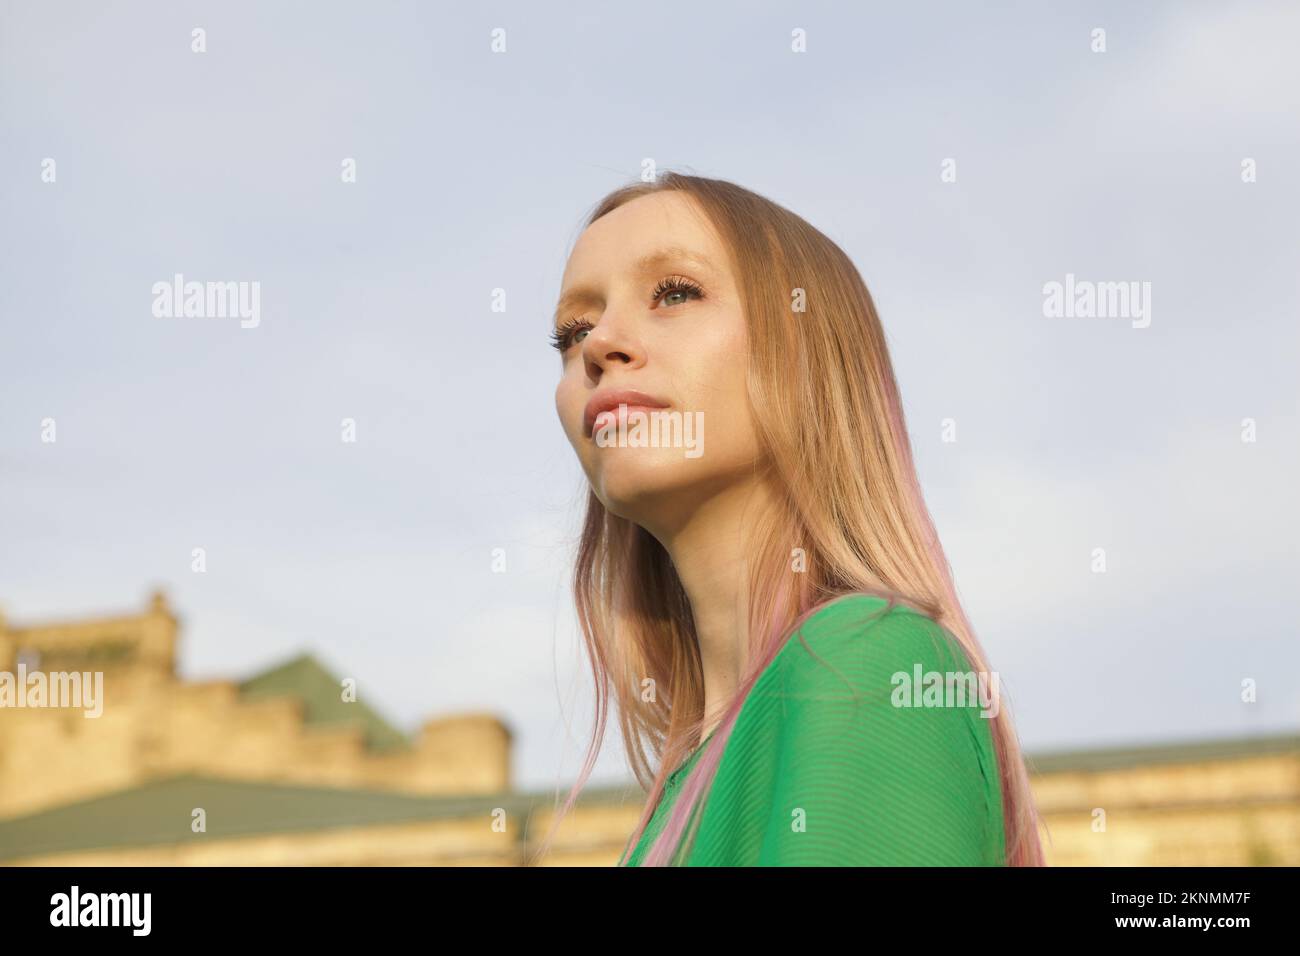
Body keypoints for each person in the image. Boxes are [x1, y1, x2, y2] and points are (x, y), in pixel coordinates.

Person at [535, 172, 1045, 866]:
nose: (600, 345)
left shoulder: (869, 661)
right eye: (574, 329)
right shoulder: (688, 789)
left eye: (675, 293)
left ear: (809, 357)